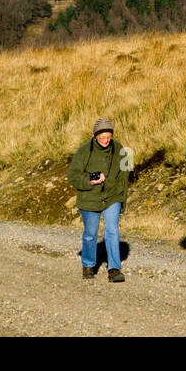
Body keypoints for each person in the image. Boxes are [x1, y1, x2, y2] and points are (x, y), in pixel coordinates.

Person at [67, 118, 129, 282]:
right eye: (102, 137)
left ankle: (114, 269)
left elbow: (124, 177)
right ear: (95, 136)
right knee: (90, 234)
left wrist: (122, 201)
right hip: (89, 197)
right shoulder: (84, 151)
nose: (106, 140)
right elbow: (72, 176)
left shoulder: (121, 149)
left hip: (112, 196)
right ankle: (88, 264)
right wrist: (89, 180)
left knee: (112, 230)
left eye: (108, 136)